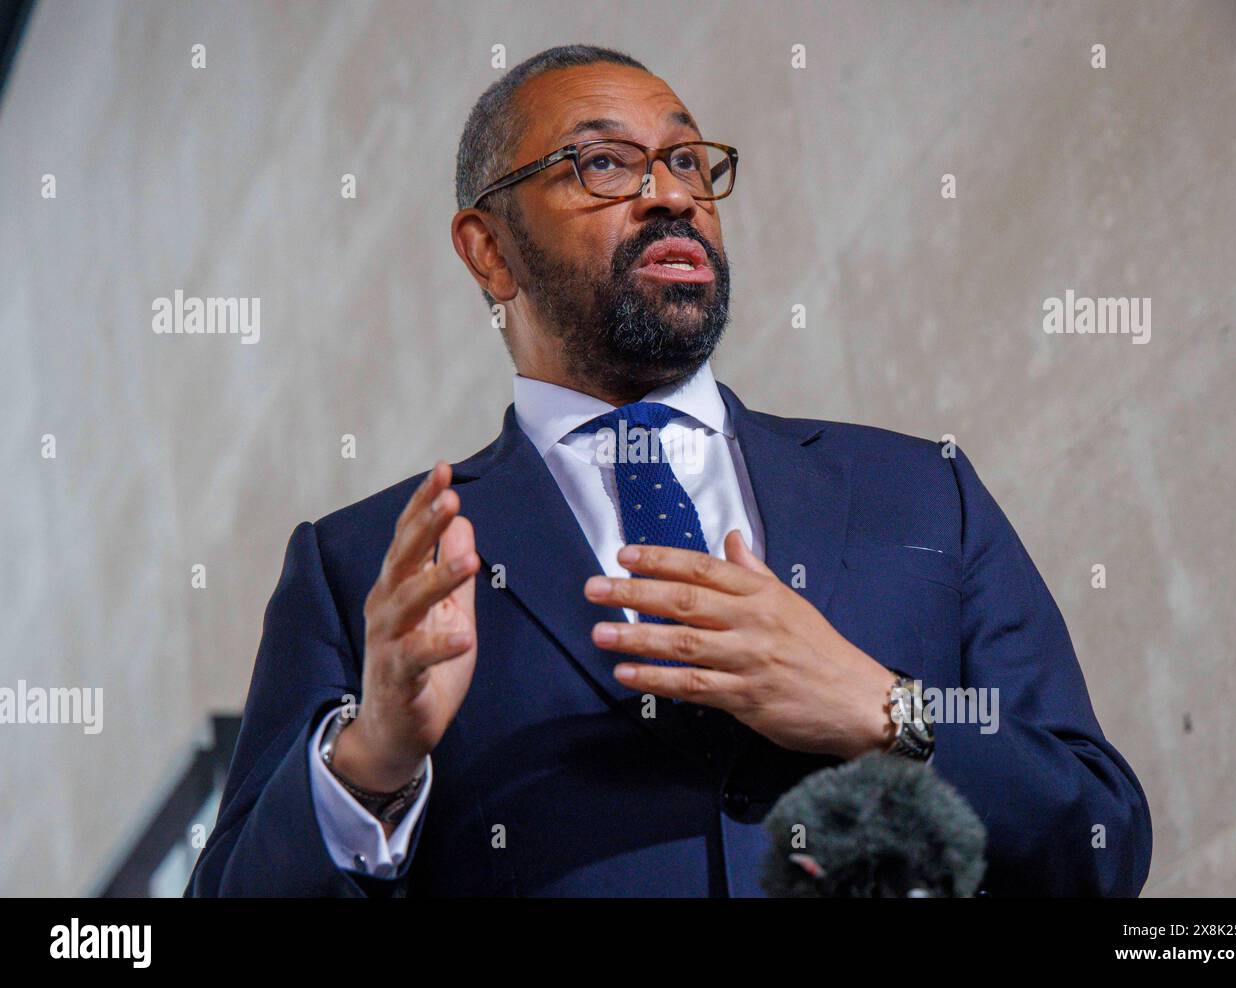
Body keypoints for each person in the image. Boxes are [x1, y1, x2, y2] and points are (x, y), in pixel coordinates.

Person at [186, 44, 1152, 897]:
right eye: (605, 163)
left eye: (688, 160)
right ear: (487, 251)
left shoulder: (918, 490)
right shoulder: (363, 566)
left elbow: (1099, 847)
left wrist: (878, 708)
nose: (674, 193)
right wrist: (371, 764)